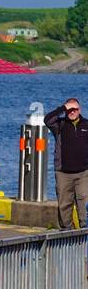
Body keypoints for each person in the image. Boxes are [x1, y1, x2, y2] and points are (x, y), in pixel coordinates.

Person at [44, 98, 88, 229]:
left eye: (75, 109)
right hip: (63, 173)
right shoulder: (59, 125)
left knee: (84, 203)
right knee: (64, 205)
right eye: (70, 109)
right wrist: (63, 107)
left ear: (79, 110)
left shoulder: (86, 124)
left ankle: (85, 232)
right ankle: (66, 232)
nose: (72, 112)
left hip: (83, 173)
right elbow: (47, 120)